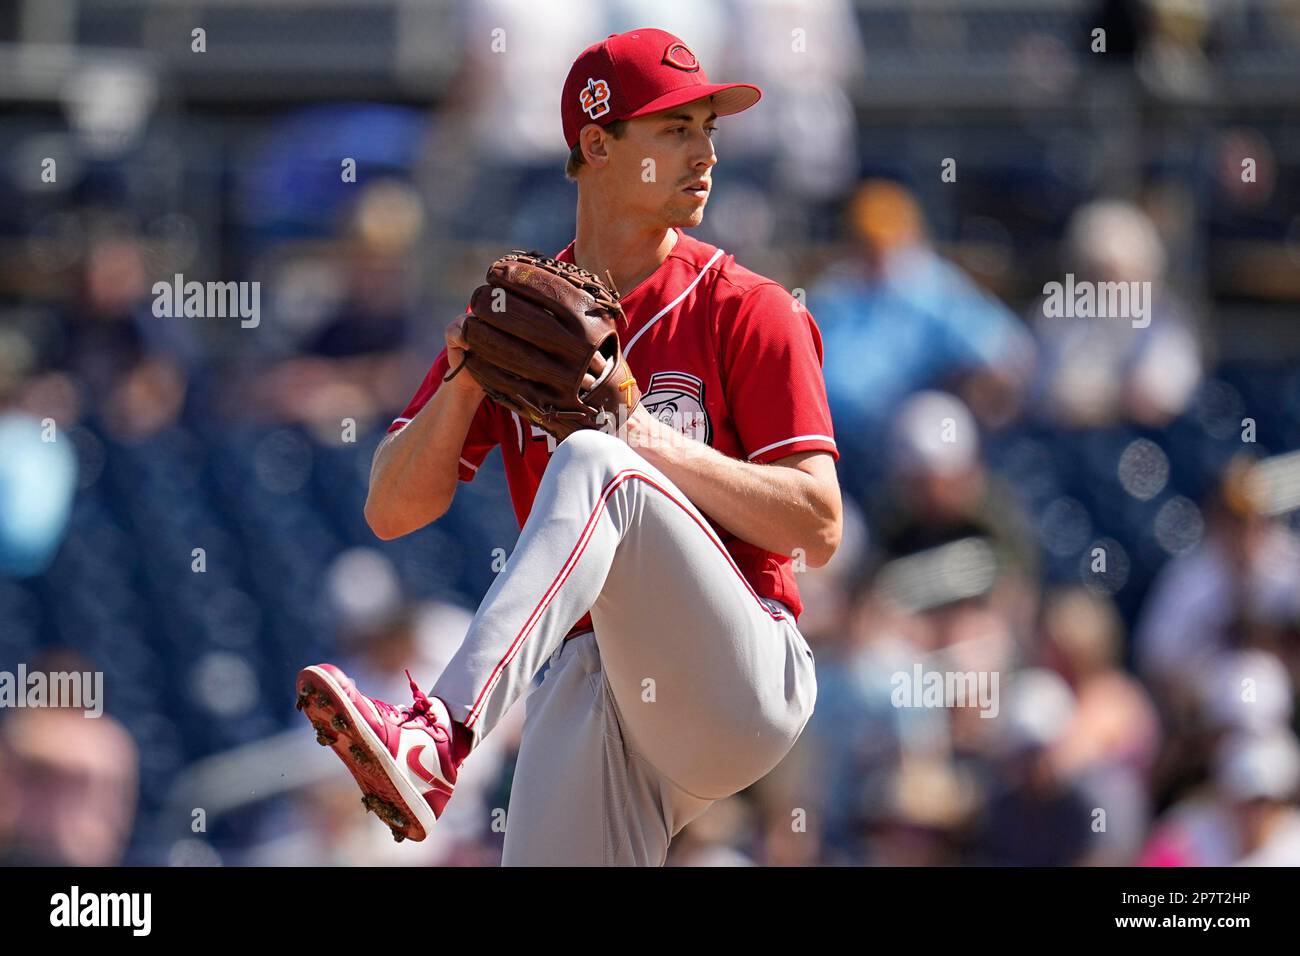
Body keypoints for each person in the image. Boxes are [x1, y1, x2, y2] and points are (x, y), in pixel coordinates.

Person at [297, 27, 842, 866]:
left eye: (709, 129)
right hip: (601, 690)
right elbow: (391, 507)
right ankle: (436, 745)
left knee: (596, 460)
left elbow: (816, 522)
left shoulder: (746, 306)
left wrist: (640, 438)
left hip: (739, 676)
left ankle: (437, 735)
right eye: (675, 130)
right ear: (596, 143)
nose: (705, 153)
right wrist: (467, 377)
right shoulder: (524, 317)